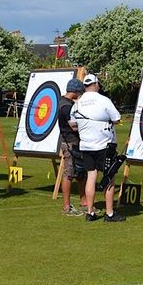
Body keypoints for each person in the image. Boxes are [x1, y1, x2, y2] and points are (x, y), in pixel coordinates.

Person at [70, 74, 125, 223]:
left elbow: (73, 124)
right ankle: (109, 213)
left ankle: (90, 212)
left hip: (86, 145)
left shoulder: (78, 103)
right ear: (95, 84)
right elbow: (117, 118)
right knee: (109, 177)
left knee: (91, 176)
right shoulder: (104, 100)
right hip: (104, 145)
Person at [58, 78, 86, 216]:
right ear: (74, 92)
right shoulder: (66, 106)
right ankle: (67, 207)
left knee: (81, 173)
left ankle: (84, 202)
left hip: (72, 142)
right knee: (69, 174)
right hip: (71, 142)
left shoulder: (65, 102)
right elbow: (74, 126)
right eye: (79, 93)